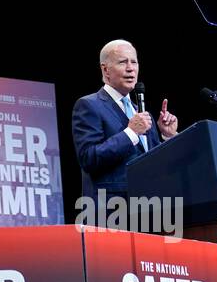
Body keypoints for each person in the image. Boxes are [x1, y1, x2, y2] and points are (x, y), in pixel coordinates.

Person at [71, 39, 178, 203]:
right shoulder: (88, 105)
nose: (131, 68)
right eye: (123, 62)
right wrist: (130, 133)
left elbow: (156, 164)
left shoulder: (141, 113)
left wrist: (167, 136)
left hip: (150, 210)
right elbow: (89, 158)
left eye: (134, 62)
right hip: (110, 212)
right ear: (105, 70)